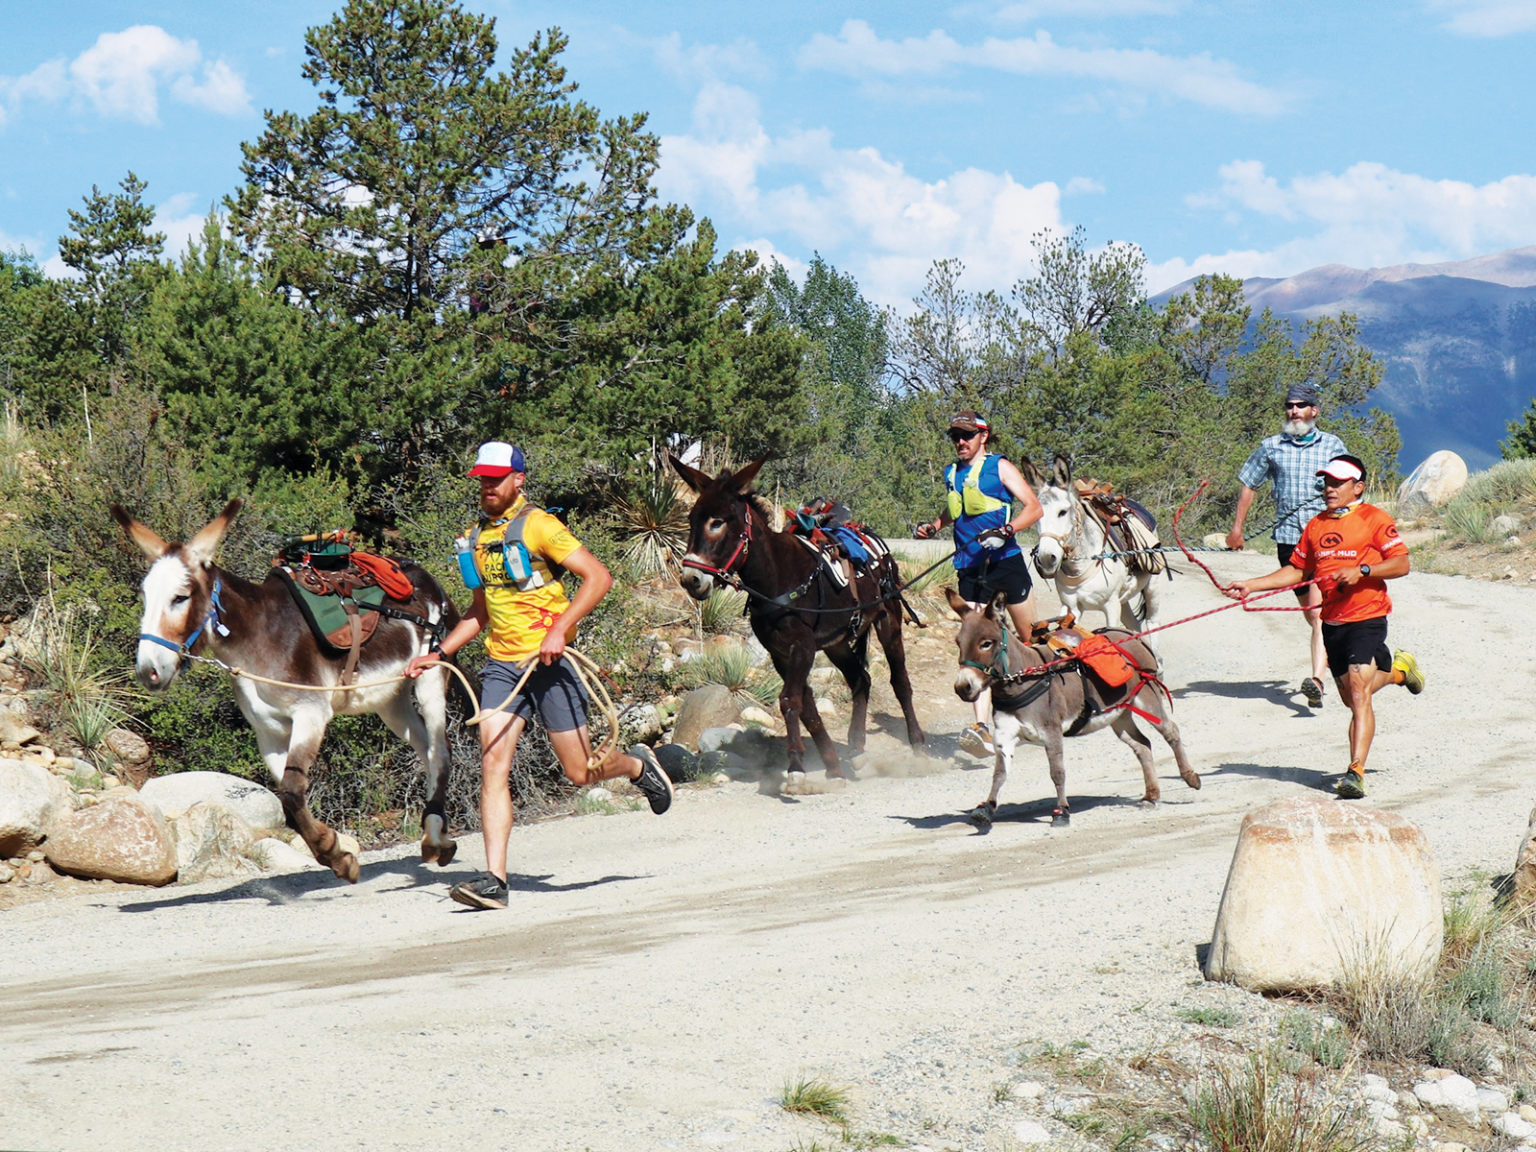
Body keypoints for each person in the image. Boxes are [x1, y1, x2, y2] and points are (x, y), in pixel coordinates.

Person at [406, 441, 673, 910]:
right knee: (493, 766)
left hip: (550, 665)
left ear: (518, 479)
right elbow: (479, 611)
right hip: (501, 668)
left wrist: (559, 629)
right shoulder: (475, 538)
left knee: (579, 772)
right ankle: (495, 881)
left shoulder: (541, 526)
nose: (488, 487)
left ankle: (635, 766)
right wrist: (439, 653)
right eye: (482, 480)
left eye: (496, 479)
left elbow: (598, 577)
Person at [1223, 454, 1425, 799]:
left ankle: (1355, 772)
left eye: (1338, 483)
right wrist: (1251, 585)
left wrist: (1363, 571)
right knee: (1350, 698)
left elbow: (1402, 563)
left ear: (1357, 487)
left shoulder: (1374, 519)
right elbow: (1298, 571)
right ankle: (1400, 672)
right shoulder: (1316, 524)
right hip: (1332, 621)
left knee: (1359, 693)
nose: (1329, 489)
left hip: (1367, 616)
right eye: (1327, 482)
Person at [915, 410, 1043, 759]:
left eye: (967, 435)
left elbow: (1034, 508)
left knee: (1029, 638)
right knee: (976, 646)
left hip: (1006, 564)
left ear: (983, 436)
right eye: (955, 436)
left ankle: (1040, 705)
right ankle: (982, 727)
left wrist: (1007, 531)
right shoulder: (952, 473)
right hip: (970, 569)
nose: (960, 441)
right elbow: (957, 510)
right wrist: (935, 525)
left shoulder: (999, 467)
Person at [1226, 383, 1349, 709]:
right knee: (1312, 615)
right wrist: (1237, 529)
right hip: (1289, 541)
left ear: (1314, 411)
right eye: (1290, 406)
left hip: (1327, 540)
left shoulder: (1332, 445)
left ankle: (1317, 681)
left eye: (1300, 405)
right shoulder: (1271, 446)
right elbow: (1248, 484)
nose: (1294, 411)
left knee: (1319, 613)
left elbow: (1350, 487)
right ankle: (1331, 657)